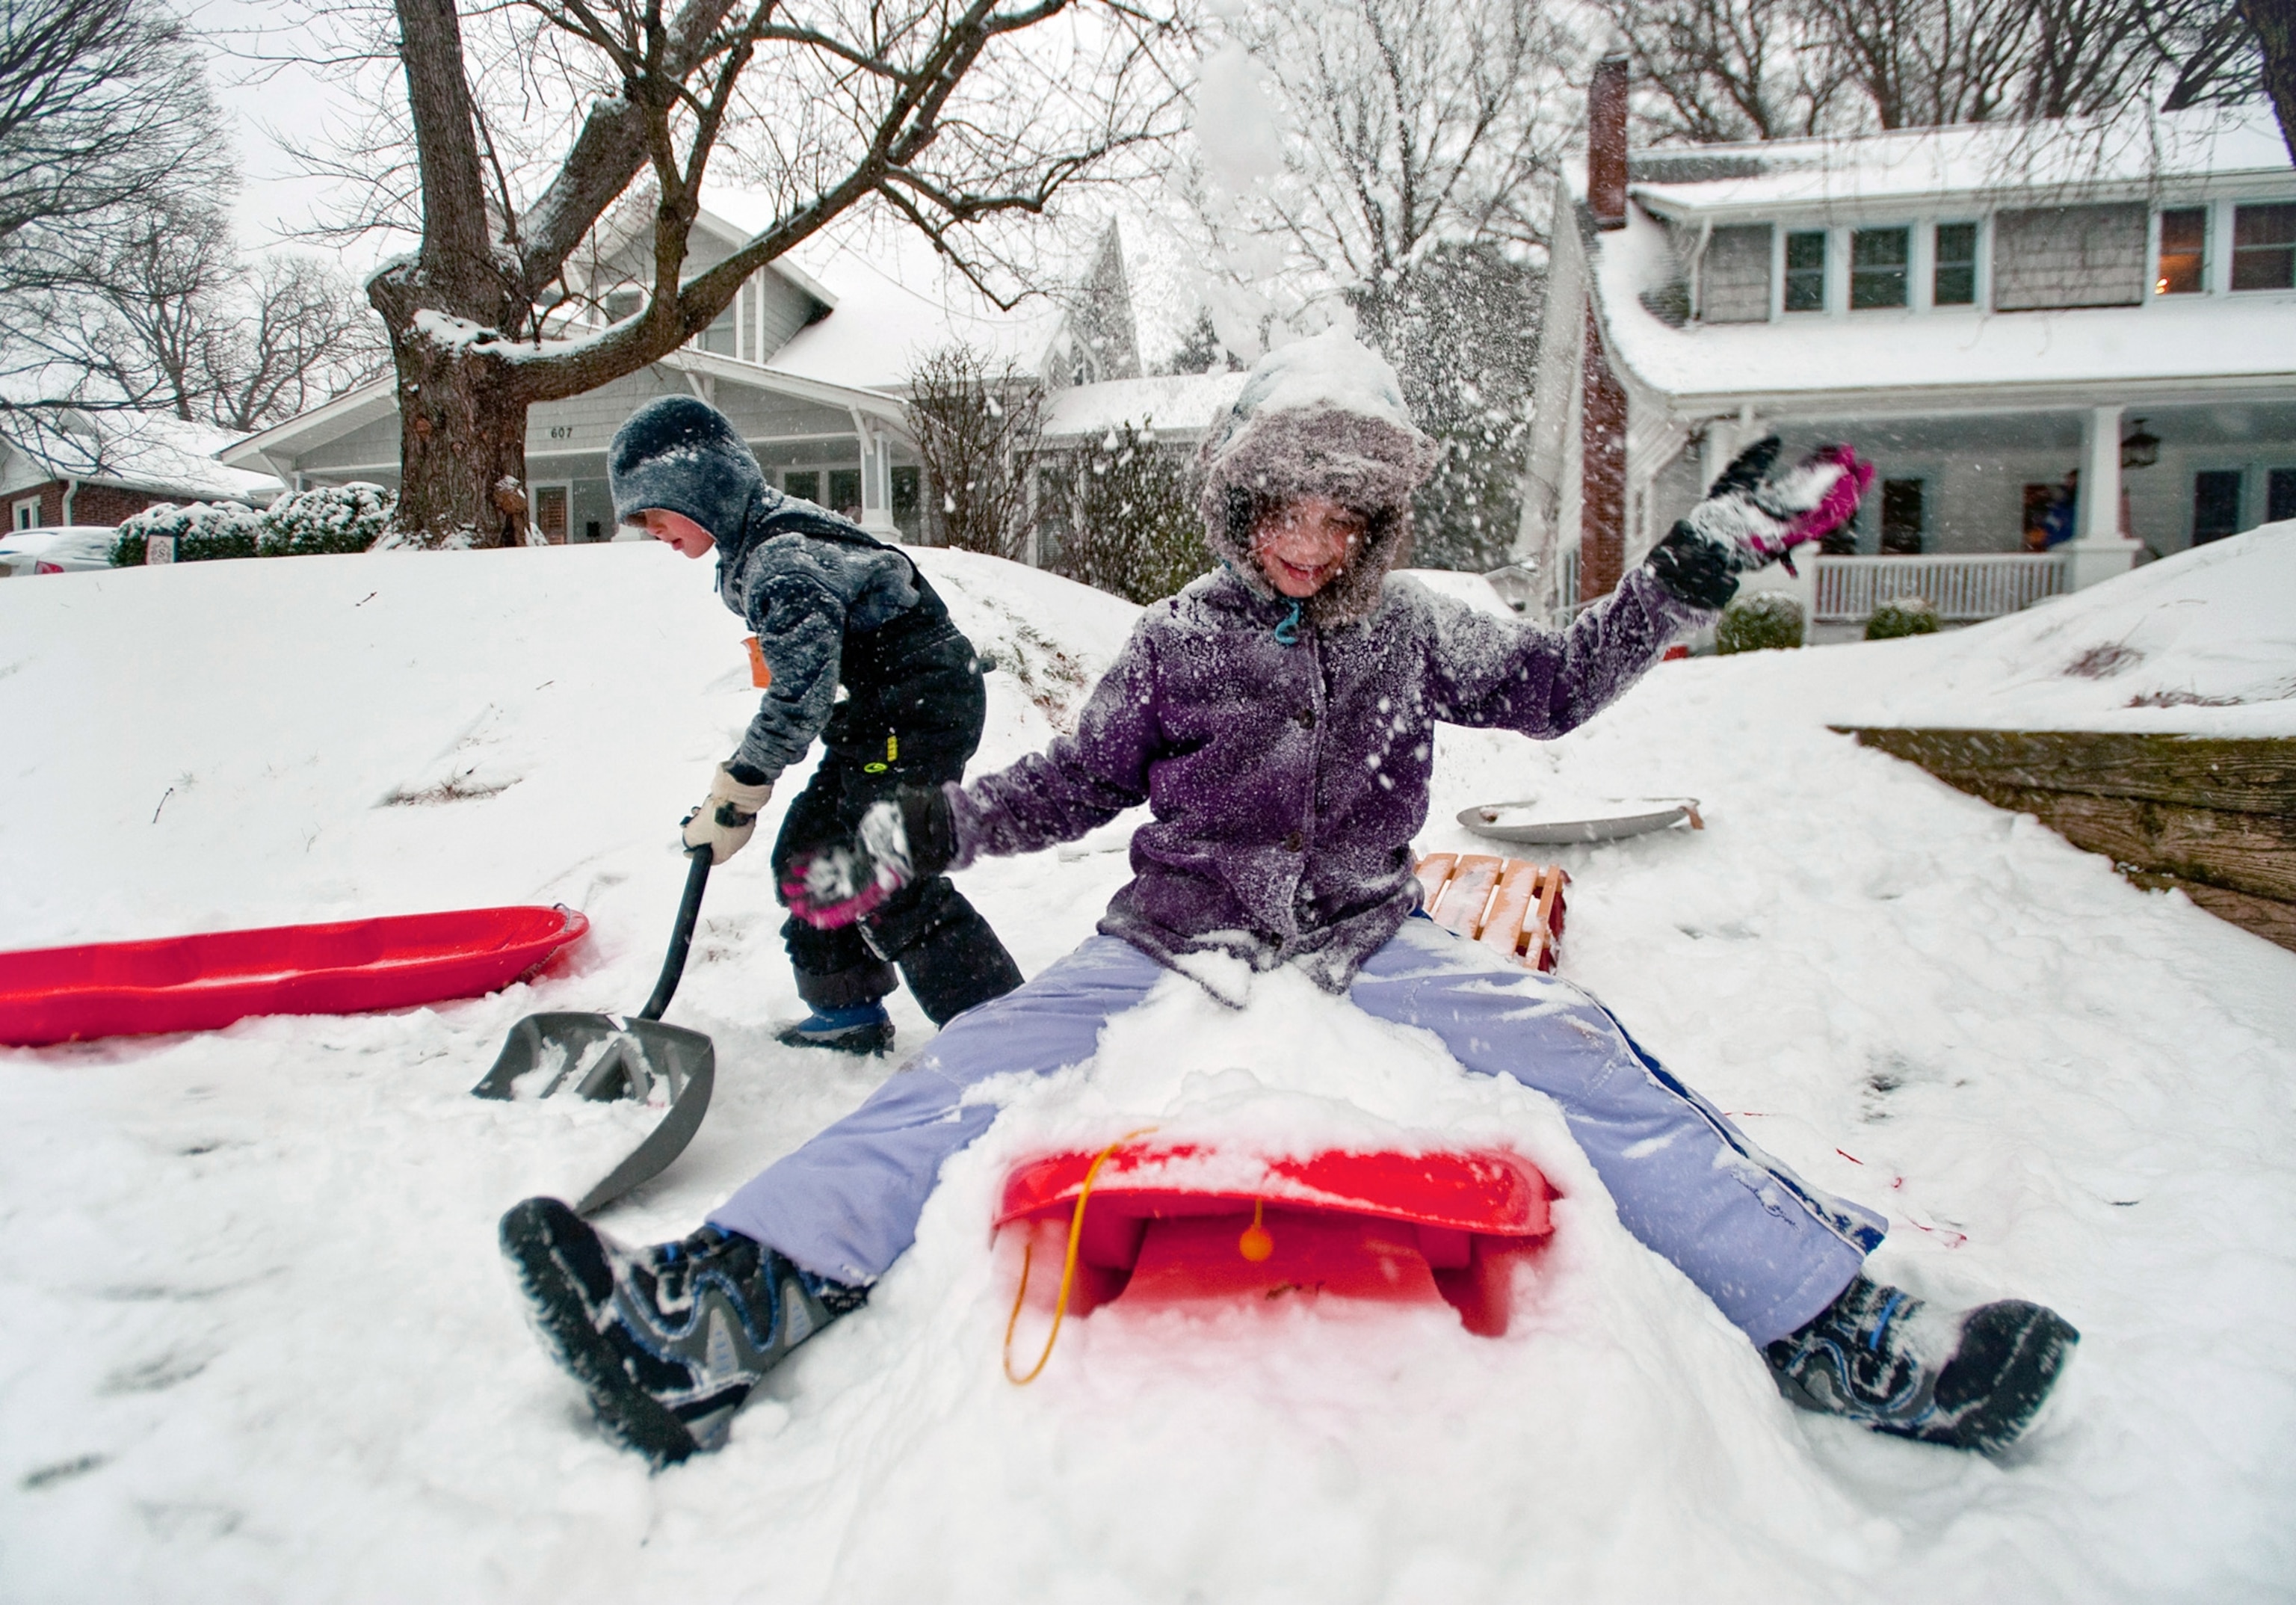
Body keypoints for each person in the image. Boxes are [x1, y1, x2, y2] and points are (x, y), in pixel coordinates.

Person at [505, 336, 2077, 1467]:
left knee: (1586, 1059)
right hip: (1169, 940)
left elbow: (1556, 684)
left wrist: (1688, 568)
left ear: (1378, 525)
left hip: (1367, 934)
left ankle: (1844, 1330)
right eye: (1284, 509)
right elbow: (1071, 781)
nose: (1312, 544)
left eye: (1346, 517)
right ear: (1238, 501)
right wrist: (928, 827)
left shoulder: (1414, 630)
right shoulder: (1176, 640)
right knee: (966, 1072)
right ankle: (711, 1307)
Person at [608, 395, 1022, 1053]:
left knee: (883, 871)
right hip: (877, 713)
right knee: (811, 851)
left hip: (916, 707)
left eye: (656, 510)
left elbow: (800, 697)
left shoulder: (781, 562)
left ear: (703, 489)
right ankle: (846, 1010)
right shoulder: (758, 541)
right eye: (639, 519)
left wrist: (740, 788)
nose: (650, 528)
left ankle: (1005, 1033)